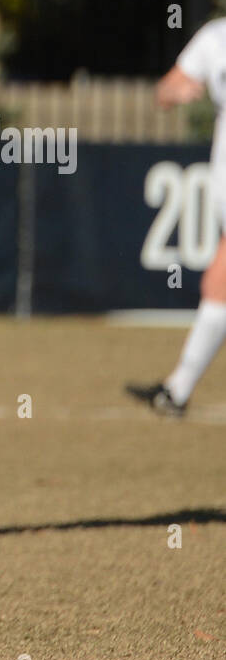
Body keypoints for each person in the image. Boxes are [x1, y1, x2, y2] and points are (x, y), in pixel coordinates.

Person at [126, 23, 226, 417]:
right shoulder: (216, 37)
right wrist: (177, 92)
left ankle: (176, 392)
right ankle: (176, 392)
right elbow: (165, 90)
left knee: (219, 281)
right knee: (218, 285)